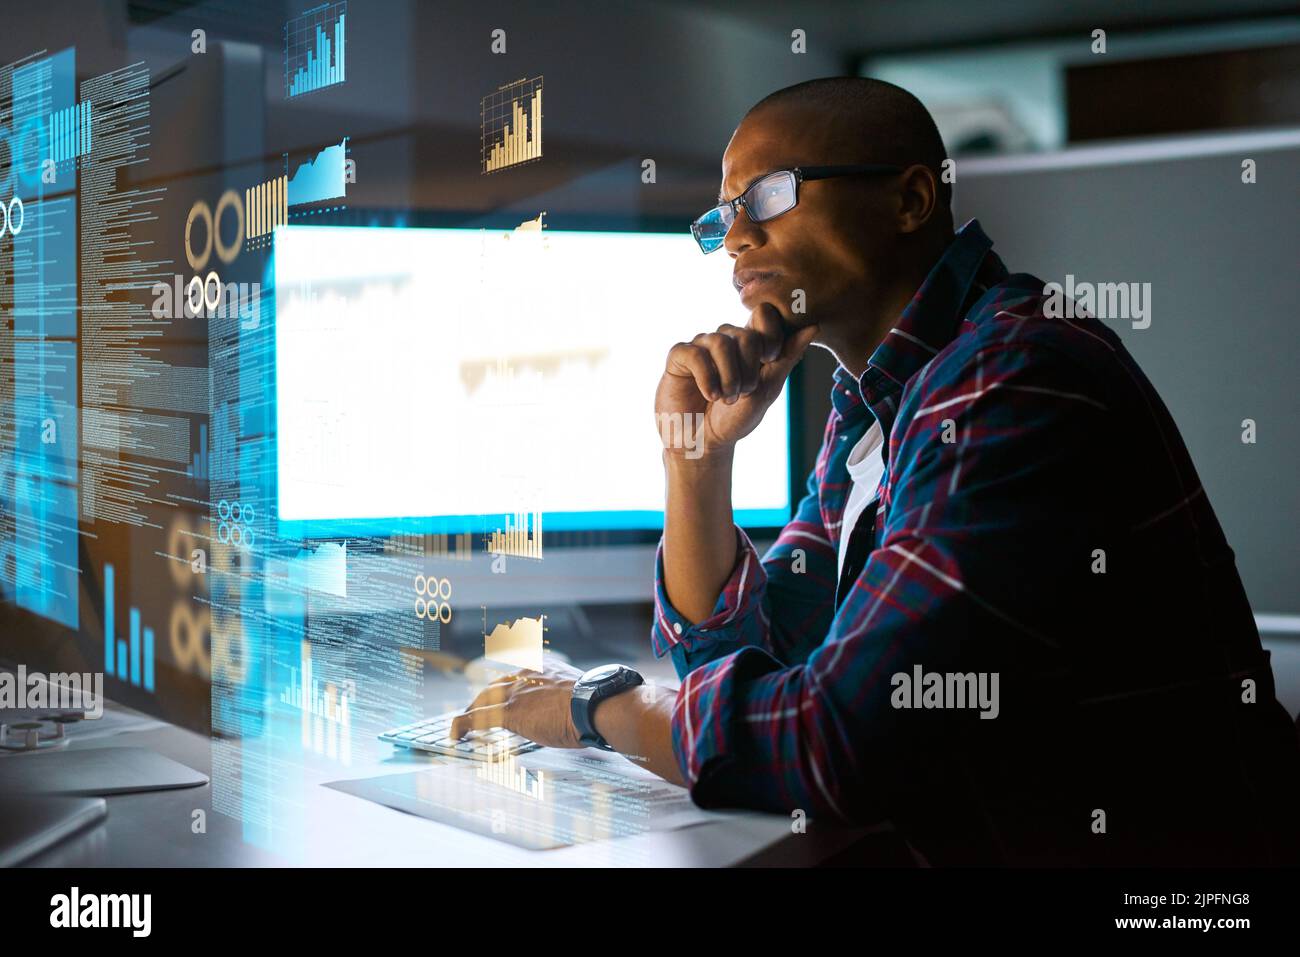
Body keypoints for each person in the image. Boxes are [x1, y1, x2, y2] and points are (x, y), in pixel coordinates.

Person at [451, 76, 1300, 865]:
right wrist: (697, 462)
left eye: (771, 195)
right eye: (722, 221)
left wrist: (592, 707)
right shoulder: (879, 405)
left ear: (910, 198)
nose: (737, 239)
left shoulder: (1010, 379)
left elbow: (833, 741)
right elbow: (763, 650)